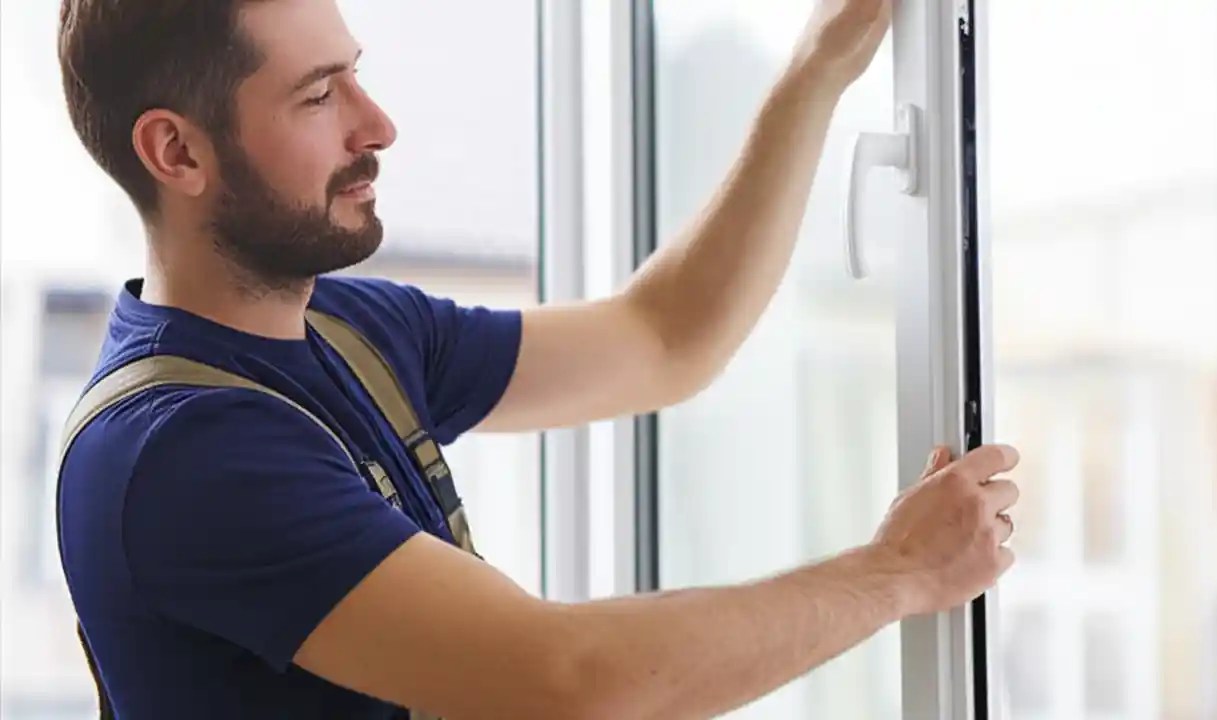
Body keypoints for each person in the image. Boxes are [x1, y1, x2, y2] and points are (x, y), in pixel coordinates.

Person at [55, 0, 1021, 717]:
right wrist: (898, 573)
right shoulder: (181, 453)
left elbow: (665, 337)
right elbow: (569, 682)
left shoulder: (347, 328)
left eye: (354, 71)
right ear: (176, 154)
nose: (375, 122)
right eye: (318, 96)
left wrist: (817, 66)